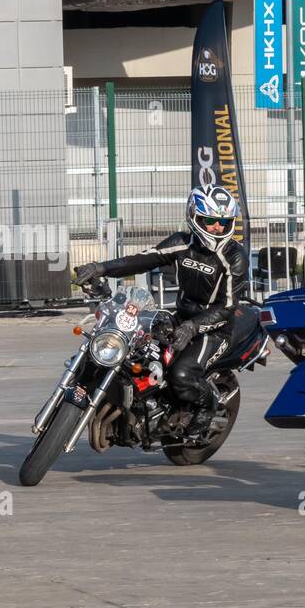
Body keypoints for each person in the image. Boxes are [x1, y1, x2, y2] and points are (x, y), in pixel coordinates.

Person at [72, 185, 258, 444]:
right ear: (195, 216)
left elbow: (227, 307)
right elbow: (141, 259)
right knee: (136, 351)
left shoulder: (234, 257)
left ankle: (208, 406)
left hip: (216, 328)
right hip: (181, 317)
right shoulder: (181, 243)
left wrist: (193, 327)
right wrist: (99, 267)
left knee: (181, 374)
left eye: (224, 222)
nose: (217, 227)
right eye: (211, 220)